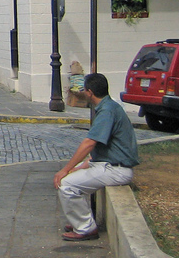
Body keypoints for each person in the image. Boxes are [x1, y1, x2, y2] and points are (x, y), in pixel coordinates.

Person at [53, 73, 139, 241]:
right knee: (73, 178)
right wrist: (76, 168)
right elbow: (97, 154)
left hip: (116, 170)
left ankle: (85, 228)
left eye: (84, 90)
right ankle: (80, 219)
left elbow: (89, 143)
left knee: (66, 185)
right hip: (109, 165)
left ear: (90, 92)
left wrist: (65, 169)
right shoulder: (110, 107)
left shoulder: (107, 112)